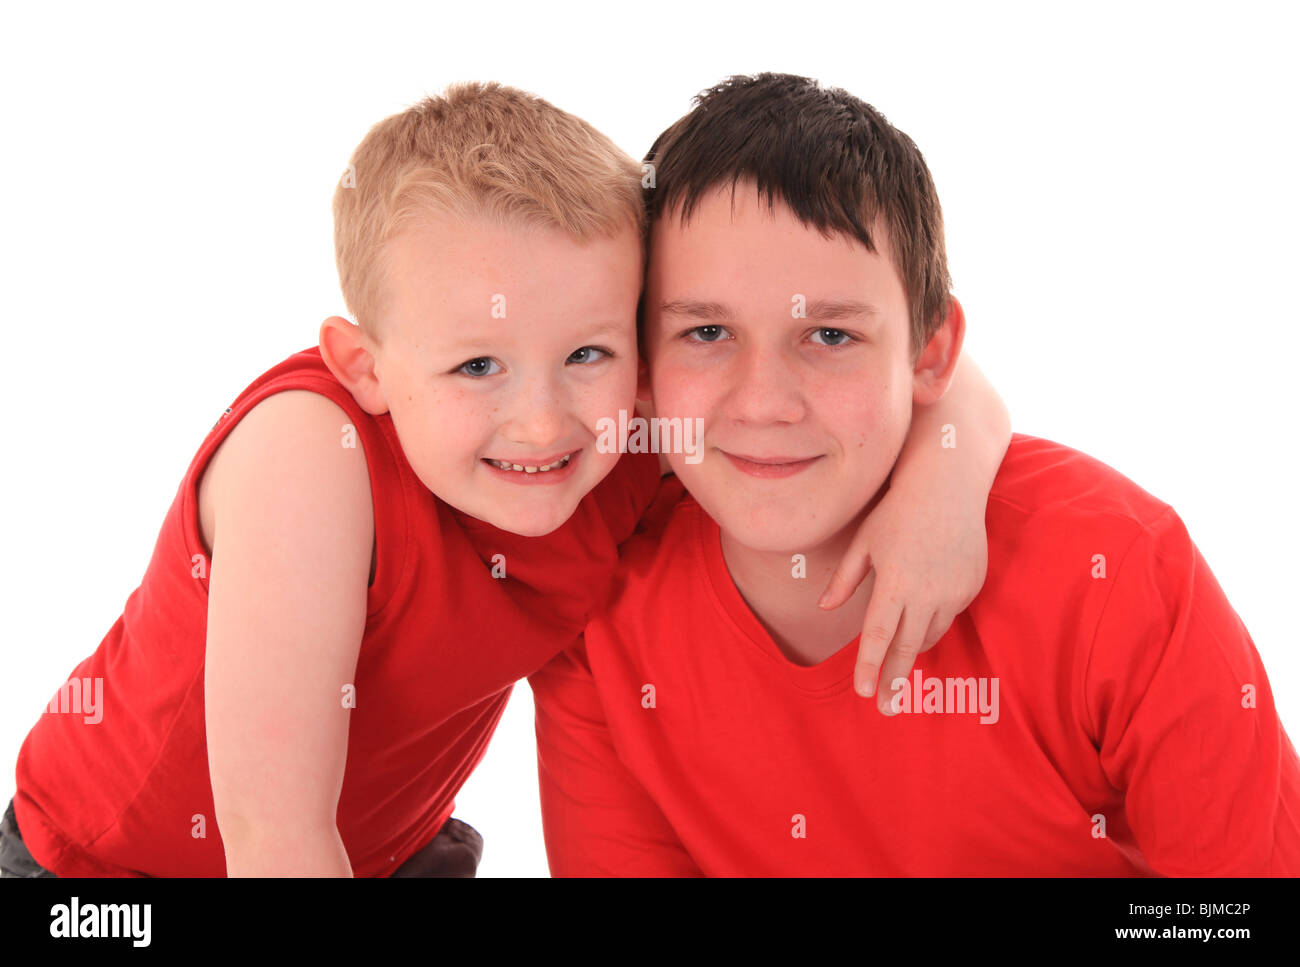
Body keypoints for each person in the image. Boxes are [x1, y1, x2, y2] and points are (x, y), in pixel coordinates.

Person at [2, 80, 1009, 877]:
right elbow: (271, 832)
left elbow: (926, 356)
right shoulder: (310, 458)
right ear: (366, 366)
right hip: (104, 875)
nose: (542, 420)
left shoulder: (624, 429)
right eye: (477, 365)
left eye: (588, 352)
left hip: (387, 854)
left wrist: (942, 493)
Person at [529, 72, 1300, 876]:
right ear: (639, 358)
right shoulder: (596, 620)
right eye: (707, 331)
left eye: (829, 336)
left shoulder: (1117, 571)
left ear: (930, 353)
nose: (764, 403)